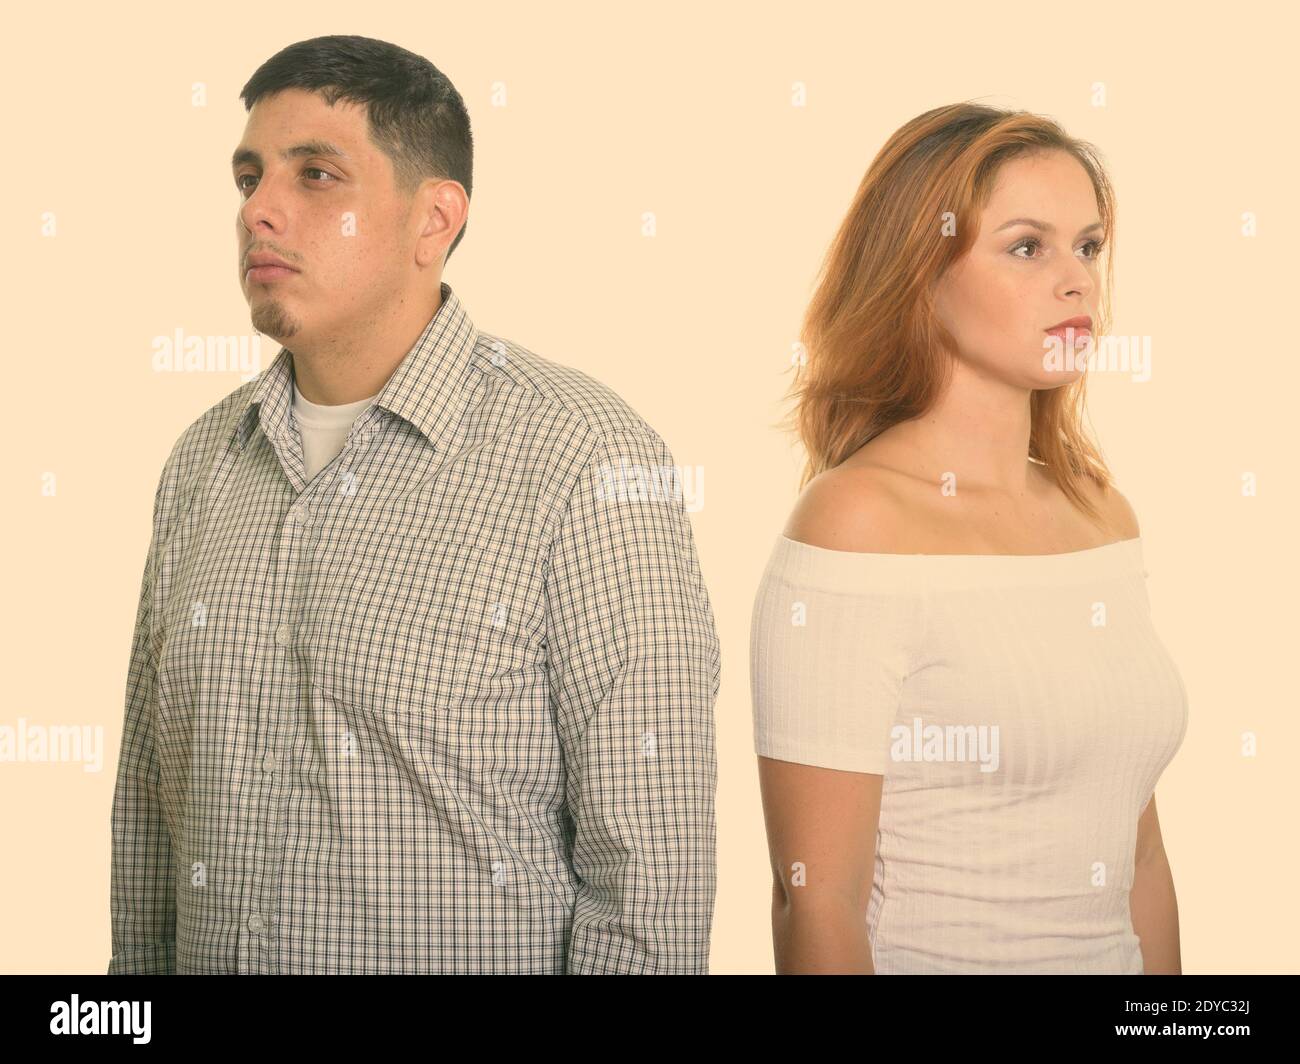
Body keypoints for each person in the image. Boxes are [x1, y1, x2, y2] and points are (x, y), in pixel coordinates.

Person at [109, 35, 719, 975]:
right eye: (248, 178)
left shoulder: (587, 464)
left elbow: (649, 881)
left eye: (317, 176)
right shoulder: (200, 464)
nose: (260, 211)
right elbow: (150, 820)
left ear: (434, 219)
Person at [750, 102, 1187, 974]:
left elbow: (1139, 857)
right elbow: (814, 899)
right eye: (1028, 247)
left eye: (1089, 247)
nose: (1078, 283)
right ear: (922, 270)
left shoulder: (1101, 515)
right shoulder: (856, 525)